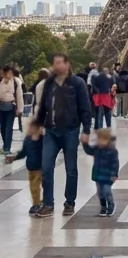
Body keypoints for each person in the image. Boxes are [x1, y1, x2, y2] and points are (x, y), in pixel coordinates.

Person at [35, 54, 92, 217]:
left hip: (70, 131)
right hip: (51, 131)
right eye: (55, 63)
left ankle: (69, 202)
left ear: (67, 65)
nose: (57, 66)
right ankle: (48, 203)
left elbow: (85, 107)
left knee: (71, 169)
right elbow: (43, 106)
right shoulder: (49, 83)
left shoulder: (77, 83)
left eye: (60, 63)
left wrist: (86, 130)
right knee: (46, 168)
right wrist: (38, 124)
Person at [5, 117, 43, 214]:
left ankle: (39, 202)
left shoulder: (42, 140)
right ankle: (36, 202)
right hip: (30, 167)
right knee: (33, 186)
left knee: (37, 186)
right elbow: (23, 152)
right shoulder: (27, 140)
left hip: (40, 167)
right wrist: (14, 158)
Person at [82, 126, 120, 216]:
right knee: (100, 192)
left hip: (108, 175)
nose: (98, 141)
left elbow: (115, 163)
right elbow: (89, 151)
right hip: (98, 174)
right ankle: (103, 207)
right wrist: (85, 143)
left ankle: (111, 205)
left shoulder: (112, 151)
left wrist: (114, 174)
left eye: (100, 139)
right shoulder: (97, 149)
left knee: (107, 191)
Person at [0, 64, 24, 154]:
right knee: (2, 127)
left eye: (11, 73)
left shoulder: (16, 82)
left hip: (11, 106)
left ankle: (7, 148)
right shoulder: (1, 81)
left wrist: (20, 109)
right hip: (1, 106)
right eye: (8, 73)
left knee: (8, 128)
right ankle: (5, 144)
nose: (10, 74)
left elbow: (19, 96)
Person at [91, 65, 115, 129]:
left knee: (99, 113)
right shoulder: (110, 78)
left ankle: (99, 127)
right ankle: (108, 126)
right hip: (107, 97)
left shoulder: (95, 76)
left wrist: (97, 92)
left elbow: (94, 86)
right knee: (107, 113)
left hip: (98, 96)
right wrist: (111, 94)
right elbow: (113, 86)